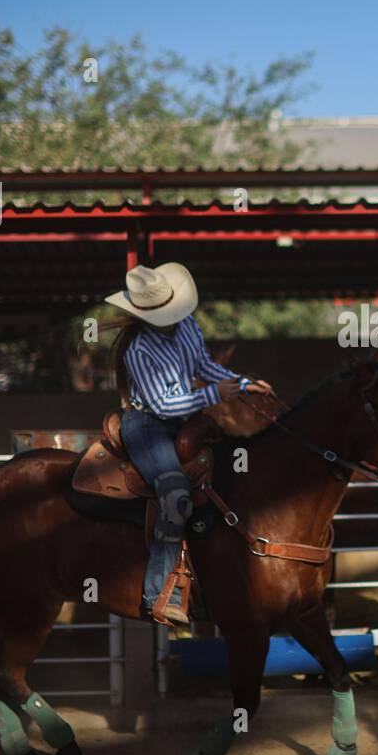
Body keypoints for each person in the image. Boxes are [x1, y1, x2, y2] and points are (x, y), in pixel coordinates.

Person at [105, 262, 272, 625]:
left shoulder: (188, 326)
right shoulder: (138, 351)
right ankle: (158, 594)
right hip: (148, 426)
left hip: (185, 421)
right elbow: (163, 404)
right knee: (176, 495)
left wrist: (242, 383)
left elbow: (206, 367)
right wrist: (216, 393)